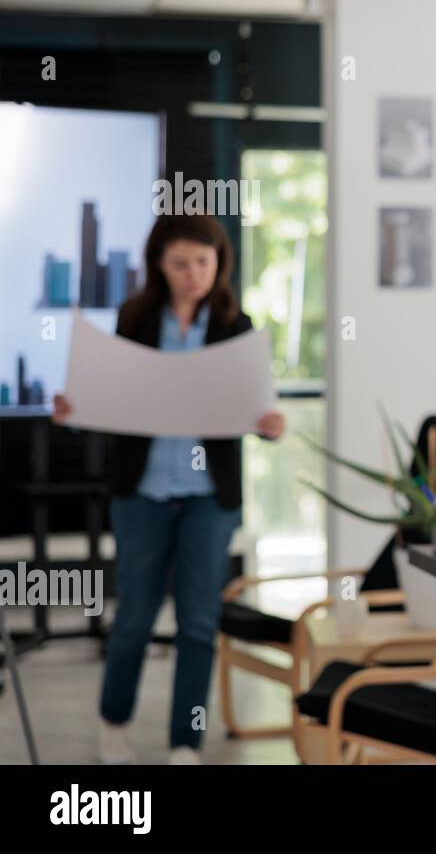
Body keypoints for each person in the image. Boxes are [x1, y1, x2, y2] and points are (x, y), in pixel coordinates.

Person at [53, 212, 285, 764]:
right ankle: (113, 725)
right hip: (143, 492)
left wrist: (269, 425)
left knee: (199, 625)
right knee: (133, 617)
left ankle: (186, 742)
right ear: (159, 264)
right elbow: (110, 397)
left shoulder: (235, 323)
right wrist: (76, 408)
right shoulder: (136, 320)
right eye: (180, 263)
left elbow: (255, 406)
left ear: (218, 264)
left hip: (209, 494)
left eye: (202, 262)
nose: (192, 274)